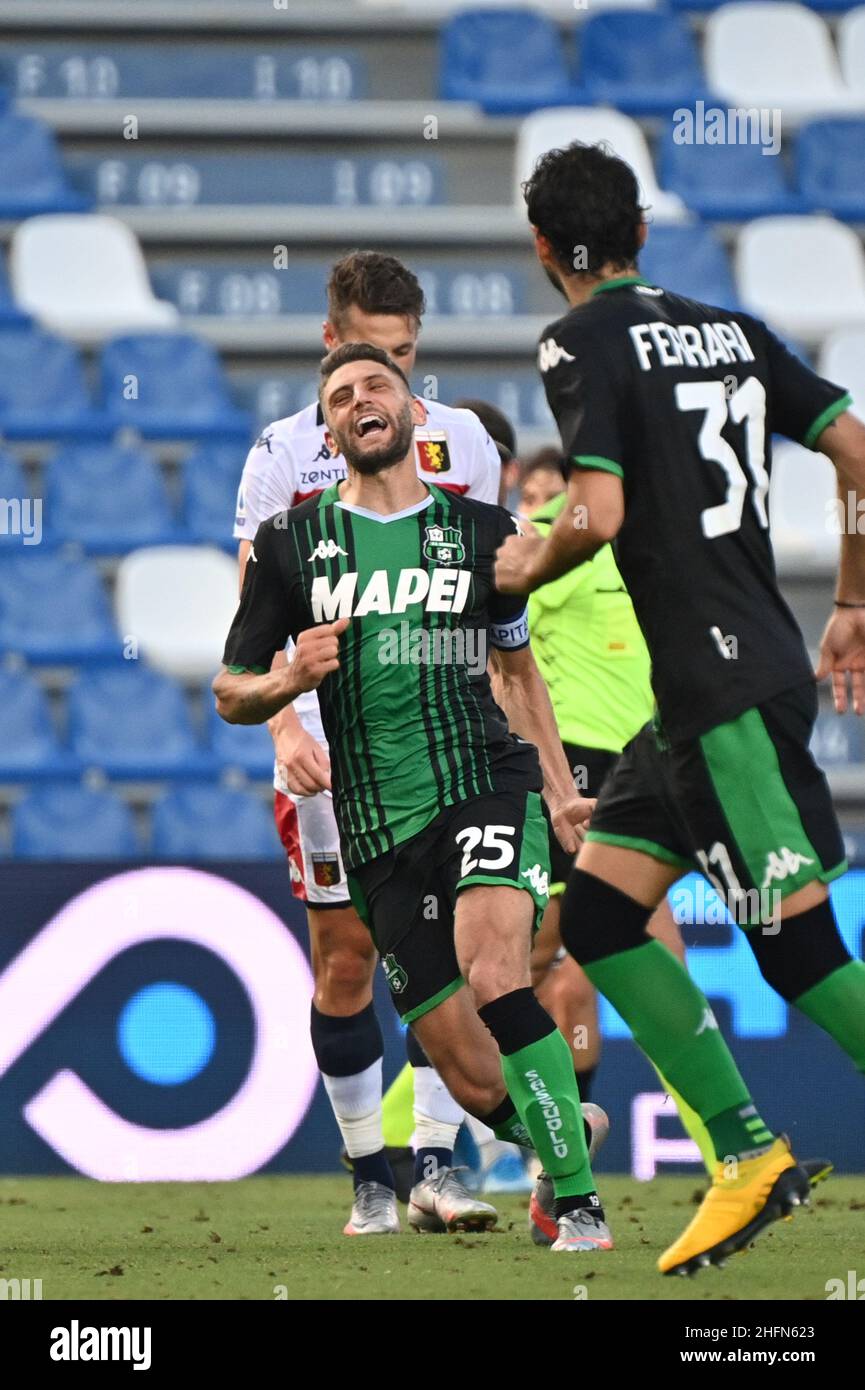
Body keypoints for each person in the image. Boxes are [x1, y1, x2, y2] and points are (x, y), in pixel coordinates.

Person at [494, 139, 865, 1276]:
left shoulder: (576, 337)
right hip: (704, 692)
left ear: (545, 250)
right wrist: (849, 596)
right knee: (601, 919)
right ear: (642, 232)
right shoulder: (731, 330)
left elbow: (594, 510)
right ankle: (747, 1154)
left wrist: (519, 565)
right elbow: (853, 442)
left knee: (797, 952)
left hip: (724, 696)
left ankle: (748, 1156)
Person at [215, 342, 611, 1253]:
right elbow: (230, 687)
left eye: (378, 386)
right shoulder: (290, 544)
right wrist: (283, 688)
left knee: (494, 969)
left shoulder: (483, 532)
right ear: (330, 429)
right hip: (375, 821)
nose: (361, 399)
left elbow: (515, 670)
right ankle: (558, 1139)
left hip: (483, 779)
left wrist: (556, 790)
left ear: (412, 414)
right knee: (471, 1077)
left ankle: (582, 1212)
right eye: (342, 394)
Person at [234, 251, 500, 1234]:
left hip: (440, 746)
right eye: (365, 355)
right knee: (347, 958)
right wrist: (282, 717)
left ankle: (439, 1162)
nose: (384, 381)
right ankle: (370, 1175)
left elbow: (485, 593)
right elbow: (251, 606)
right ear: (327, 345)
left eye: (403, 355)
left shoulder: (465, 442)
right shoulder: (279, 454)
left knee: (450, 950)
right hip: (329, 750)